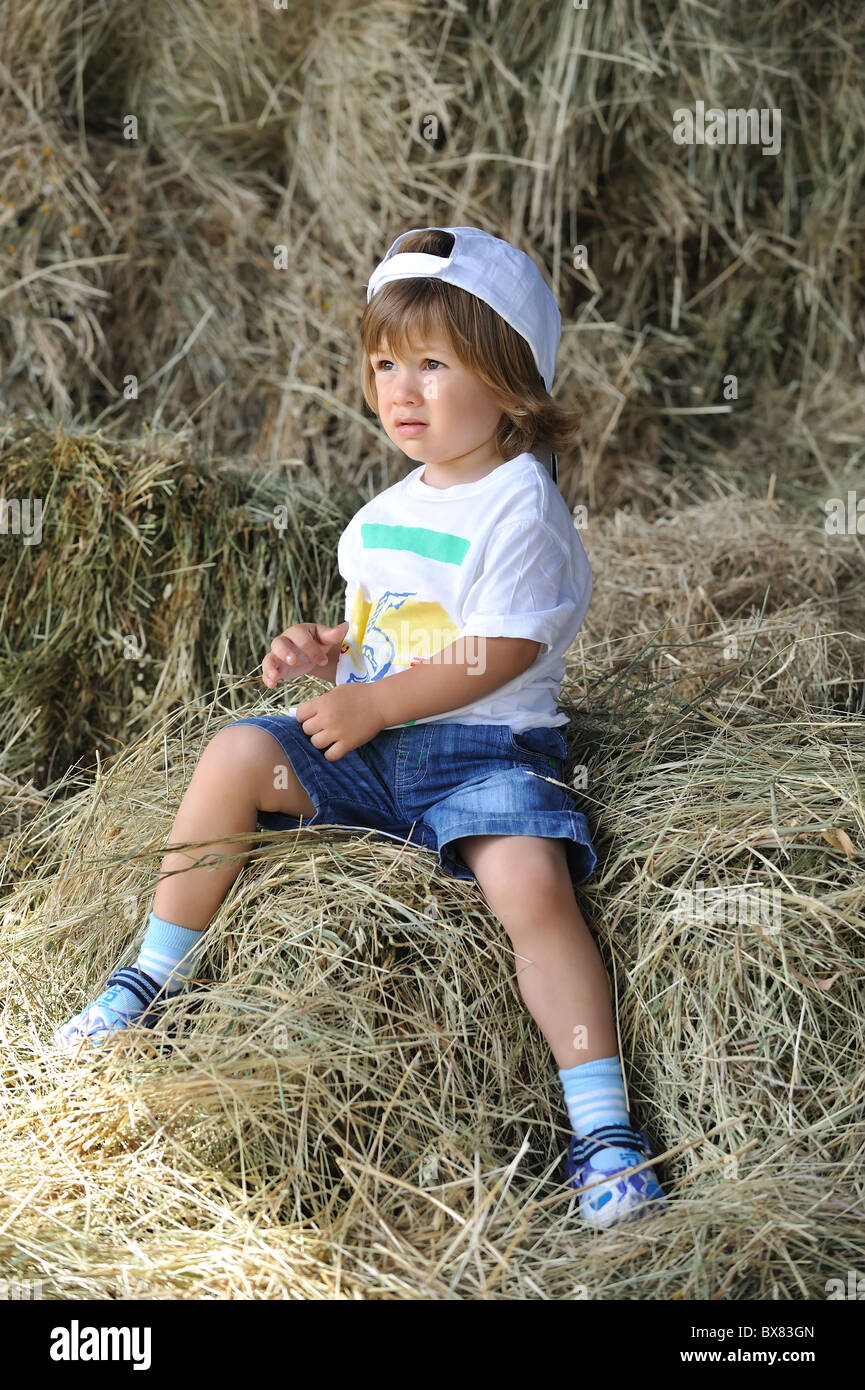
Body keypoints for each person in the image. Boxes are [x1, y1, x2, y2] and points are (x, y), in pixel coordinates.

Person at [54, 225, 666, 1230]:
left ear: (512, 381)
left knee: (532, 885)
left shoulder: (521, 507)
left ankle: (602, 1131)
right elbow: (384, 634)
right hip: (373, 758)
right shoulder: (377, 516)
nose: (402, 389)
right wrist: (330, 654)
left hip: (485, 756)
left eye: (434, 363)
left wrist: (375, 700)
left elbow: (499, 651)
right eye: (385, 363)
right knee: (238, 751)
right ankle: (144, 981)